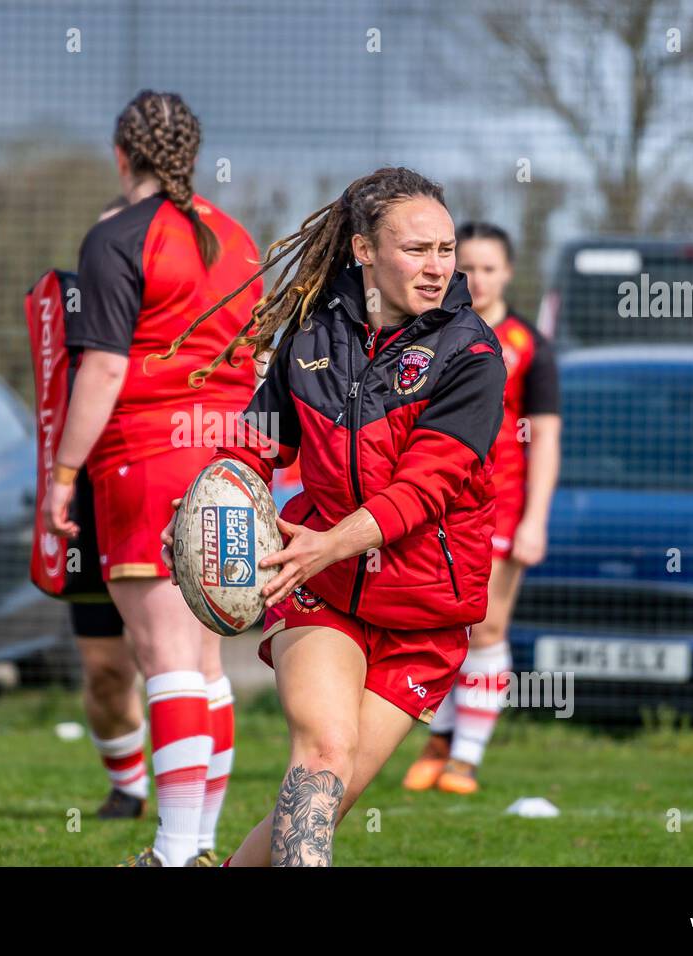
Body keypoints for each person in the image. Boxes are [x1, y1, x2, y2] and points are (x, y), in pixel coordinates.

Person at [160, 167, 506, 866]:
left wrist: (327, 544)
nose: (438, 267)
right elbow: (255, 445)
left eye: (445, 249)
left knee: (328, 795)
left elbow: (422, 491)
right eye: (417, 250)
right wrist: (207, 498)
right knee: (322, 754)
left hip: (423, 616)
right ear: (363, 249)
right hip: (324, 592)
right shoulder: (311, 338)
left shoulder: (471, 355)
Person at [42, 91, 262, 866]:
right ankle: (196, 845)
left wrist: (64, 472)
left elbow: (102, 368)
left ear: (120, 155)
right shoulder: (236, 239)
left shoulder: (116, 238)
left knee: (165, 657)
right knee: (205, 663)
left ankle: (172, 854)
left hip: (147, 455)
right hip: (231, 459)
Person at [402, 221, 560, 794]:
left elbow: (544, 436)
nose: (479, 278)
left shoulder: (528, 346)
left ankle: (464, 757)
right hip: (432, 502)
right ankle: (440, 737)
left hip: (501, 507)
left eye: (491, 268)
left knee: (486, 624)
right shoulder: (429, 333)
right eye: (468, 267)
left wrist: (535, 519)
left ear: (509, 273)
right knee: (438, 620)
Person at [68, 196, 146, 821]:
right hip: (89, 502)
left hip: (154, 487)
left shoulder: (176, 306)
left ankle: (187, 822)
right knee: (104, 669)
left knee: (170, 655)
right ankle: (128, 784)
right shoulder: (67, 306)